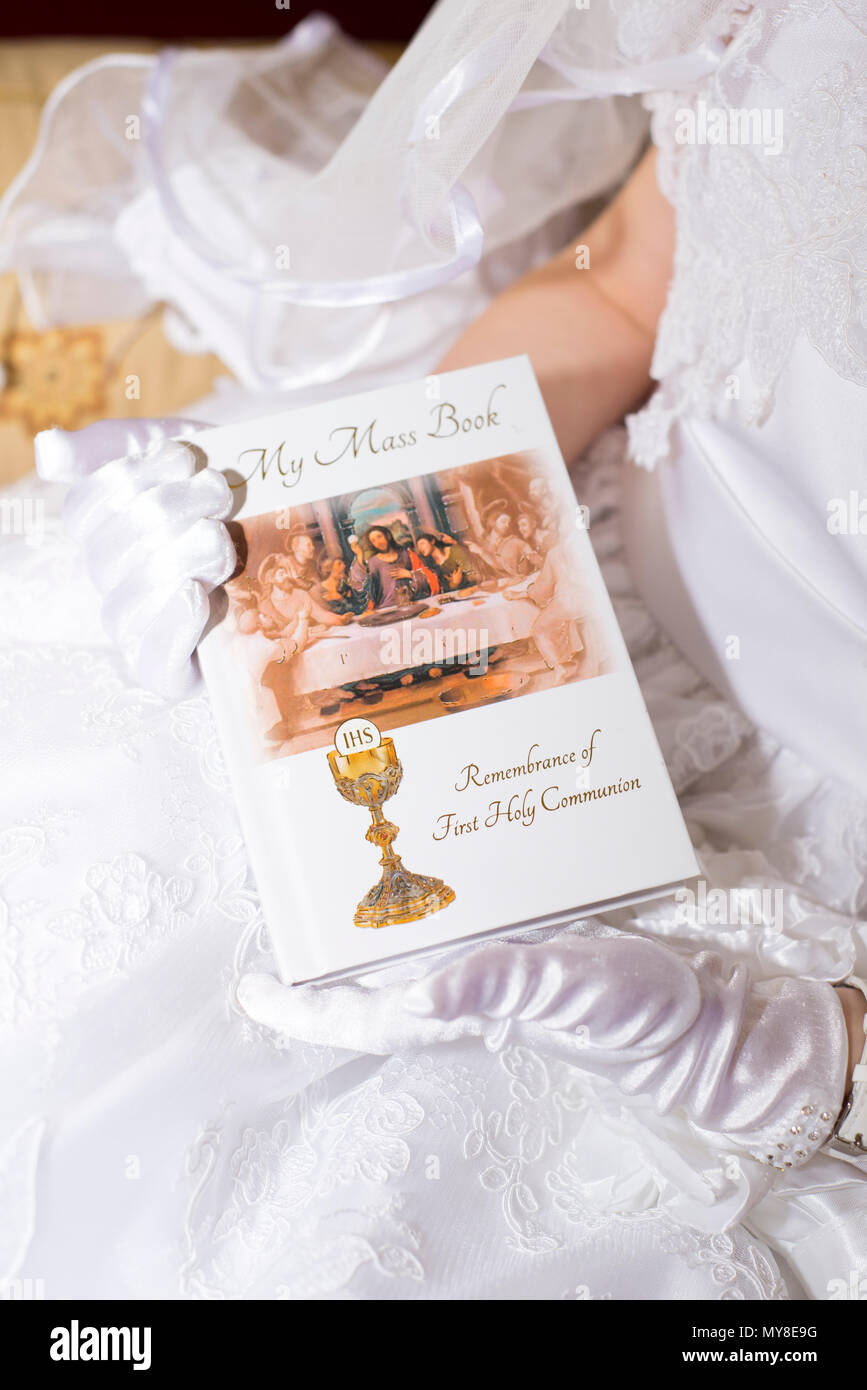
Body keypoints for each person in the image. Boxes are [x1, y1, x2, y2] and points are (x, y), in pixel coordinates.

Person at [348, 524, 431, 607]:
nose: (378, 542)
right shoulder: (372, 562)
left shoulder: (407, 554)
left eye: (379, 537)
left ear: (388, 536)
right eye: (373, 540)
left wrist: (410, 574)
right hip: (387, 607)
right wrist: (359, 555)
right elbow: (360, 585)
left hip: (413, 603)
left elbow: (428, 577)